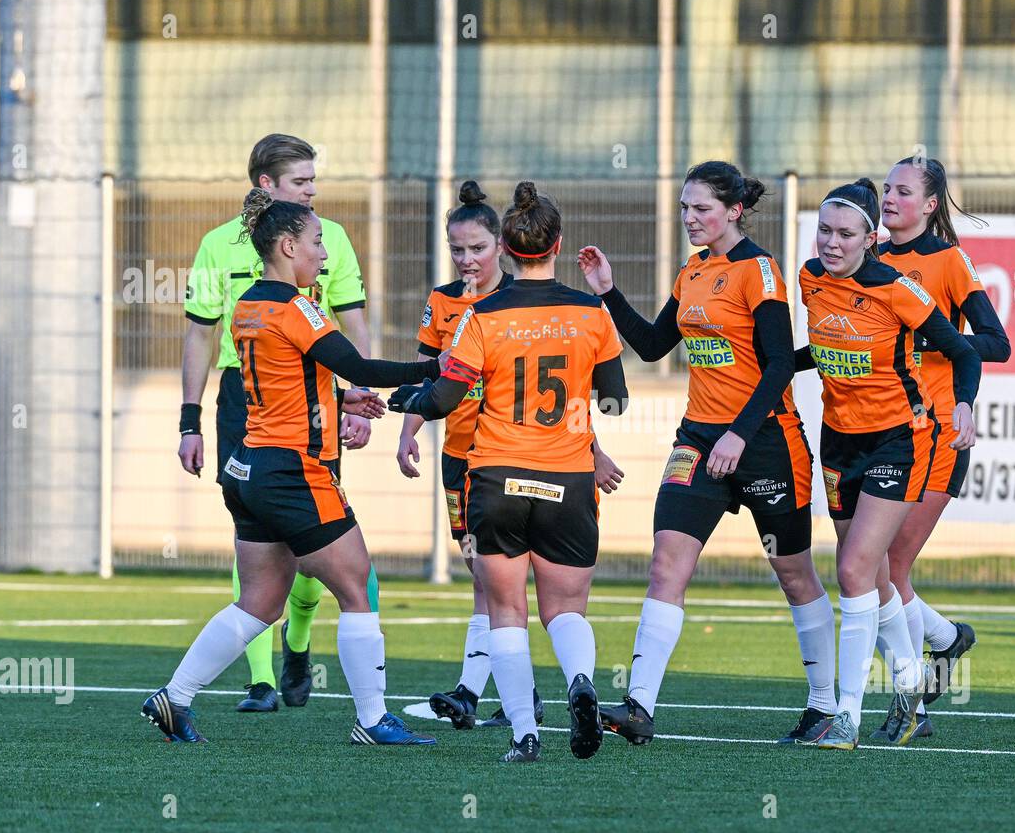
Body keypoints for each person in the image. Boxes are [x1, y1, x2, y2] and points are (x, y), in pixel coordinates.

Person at [144, 189, 441, 745]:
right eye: (317, 242)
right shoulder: (298, 306)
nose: (323, 255)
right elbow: (358, 365)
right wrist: (435, 367)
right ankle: (372, 719)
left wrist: (339, 400)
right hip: (293, 472)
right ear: (287, 246)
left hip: (248, 467)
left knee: (259, 600)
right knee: (356, 586)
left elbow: (284, 382)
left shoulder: (248, 304)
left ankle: (174, 697)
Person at [577, 160, 836, 747]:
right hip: (697, 441)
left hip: (765, 441)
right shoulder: (693, 270)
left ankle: (823, 707)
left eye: (702, 208)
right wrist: (608, 292)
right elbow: (651, 346)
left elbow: (779, 365)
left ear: (734, 210)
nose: (690, 218)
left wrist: (739, 434)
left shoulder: (759, 270)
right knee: (666, 565)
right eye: (685, 208)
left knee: (794, 572)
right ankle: (639, 706)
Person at [396, 181, 628, 763]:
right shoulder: (591, 312)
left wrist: (406, 401)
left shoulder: (481, 315)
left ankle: (525, 734)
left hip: (497, 477)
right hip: (568, 480)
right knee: (565, 610)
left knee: (505, 611)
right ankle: (580, 682)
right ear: (558, 243)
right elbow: (614, 400)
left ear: (504, 246)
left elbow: (445, 398)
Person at [179, 133, 375, 714]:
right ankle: (261, 680)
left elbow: (352, 325)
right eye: (301, 181)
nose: (313, 191)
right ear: (266, 184)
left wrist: (358, 395)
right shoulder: (218, 245)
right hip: (241, 400)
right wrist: (189, 421)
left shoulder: (329, 238)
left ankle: (299, 638)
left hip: (312, 399)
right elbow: (200, 333)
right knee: (260, 536)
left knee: (315, 536)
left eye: (314, 180)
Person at [790, 179, 981, 750]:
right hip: (838, 442)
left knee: (855, 569)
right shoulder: (809, 279)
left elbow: (966, 349)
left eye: (846, 234)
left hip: (898, 441)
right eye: (824, 230)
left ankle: (846, 717)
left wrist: (963, 403)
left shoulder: (898, 290)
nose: (832, 243)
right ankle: (911, 683)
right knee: (871, 575)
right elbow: (825, 349)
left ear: (870, 239)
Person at [873, 157, 1010, 739]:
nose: (889, 198)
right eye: (886, 189)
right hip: (884, 432)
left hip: (938, 435)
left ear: (930, 205)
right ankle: (947, 640)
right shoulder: (870, 258)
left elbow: (996, 343)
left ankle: (915, 704)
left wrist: (931, 341)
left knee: (885, 566)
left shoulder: (948, 261)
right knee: (875, 567)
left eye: (903, 191)